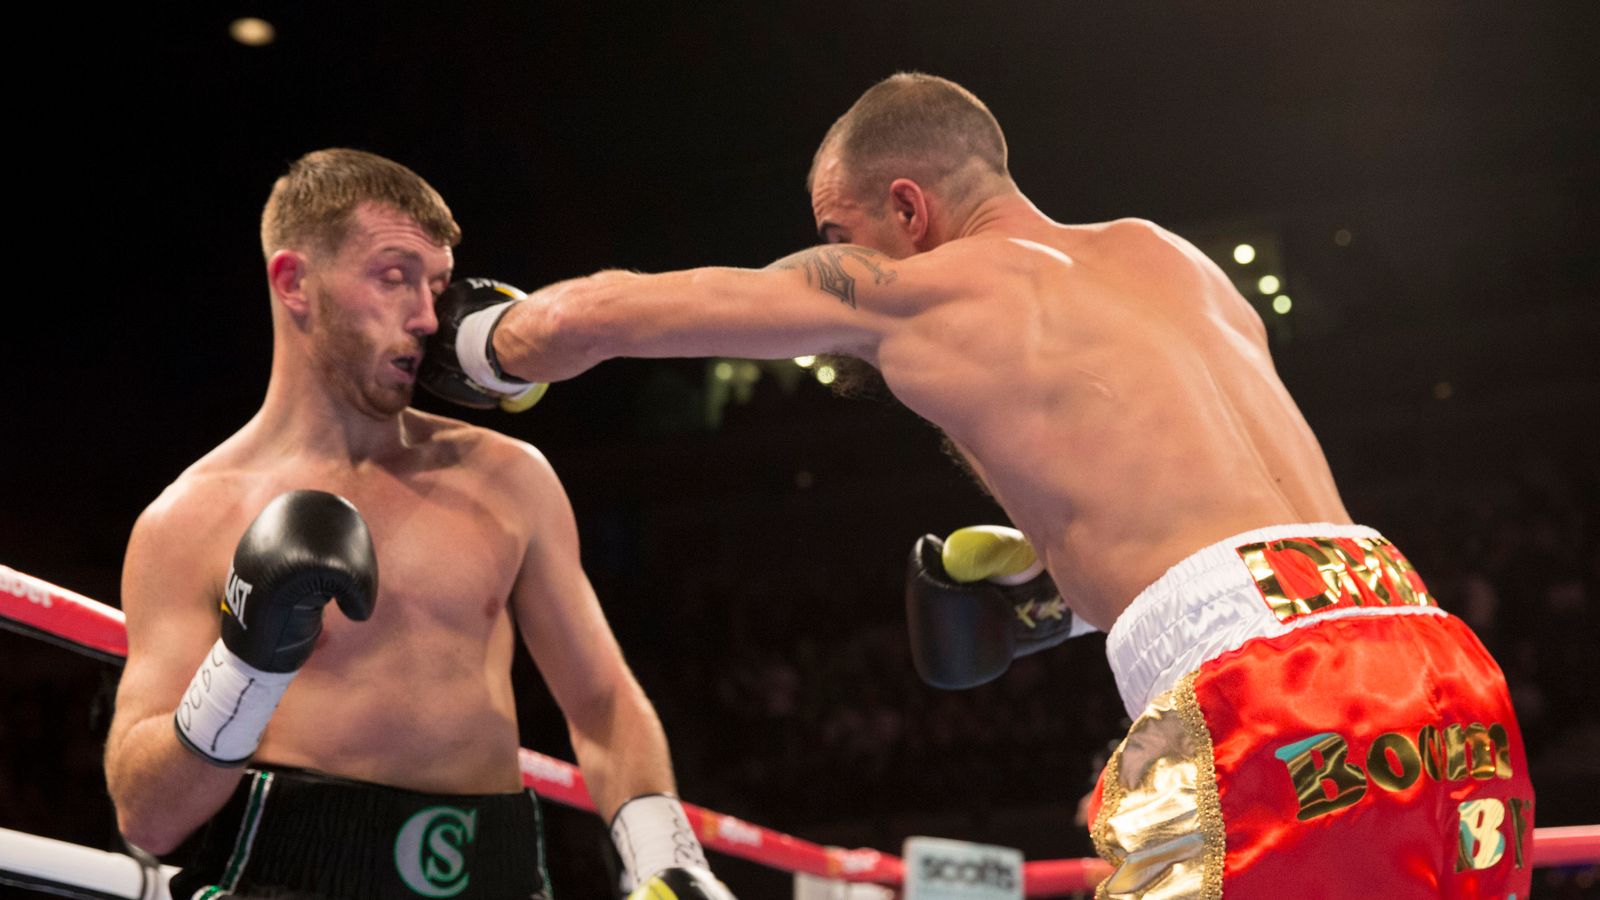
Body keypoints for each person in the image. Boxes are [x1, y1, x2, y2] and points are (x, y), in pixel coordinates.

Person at [430, 74, 1535, 897]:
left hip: (1266, 698)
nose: (838, 254)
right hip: (1434, 666)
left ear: (906, 209)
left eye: (840, 232)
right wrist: (1055, 601)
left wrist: (484, 342)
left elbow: (613, 312)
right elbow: (1233, 544)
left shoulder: (922, 291)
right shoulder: (1172, 260)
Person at [103, 149, 729, 900]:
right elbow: (147, 817)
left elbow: (603, 704)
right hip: (285, 876)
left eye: (437, 286)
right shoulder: (190, 519)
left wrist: (667, 858)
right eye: (394, 276)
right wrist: (246, 668)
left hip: (497, 876)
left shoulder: (507, 478)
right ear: (294, 283)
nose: (430, 318)